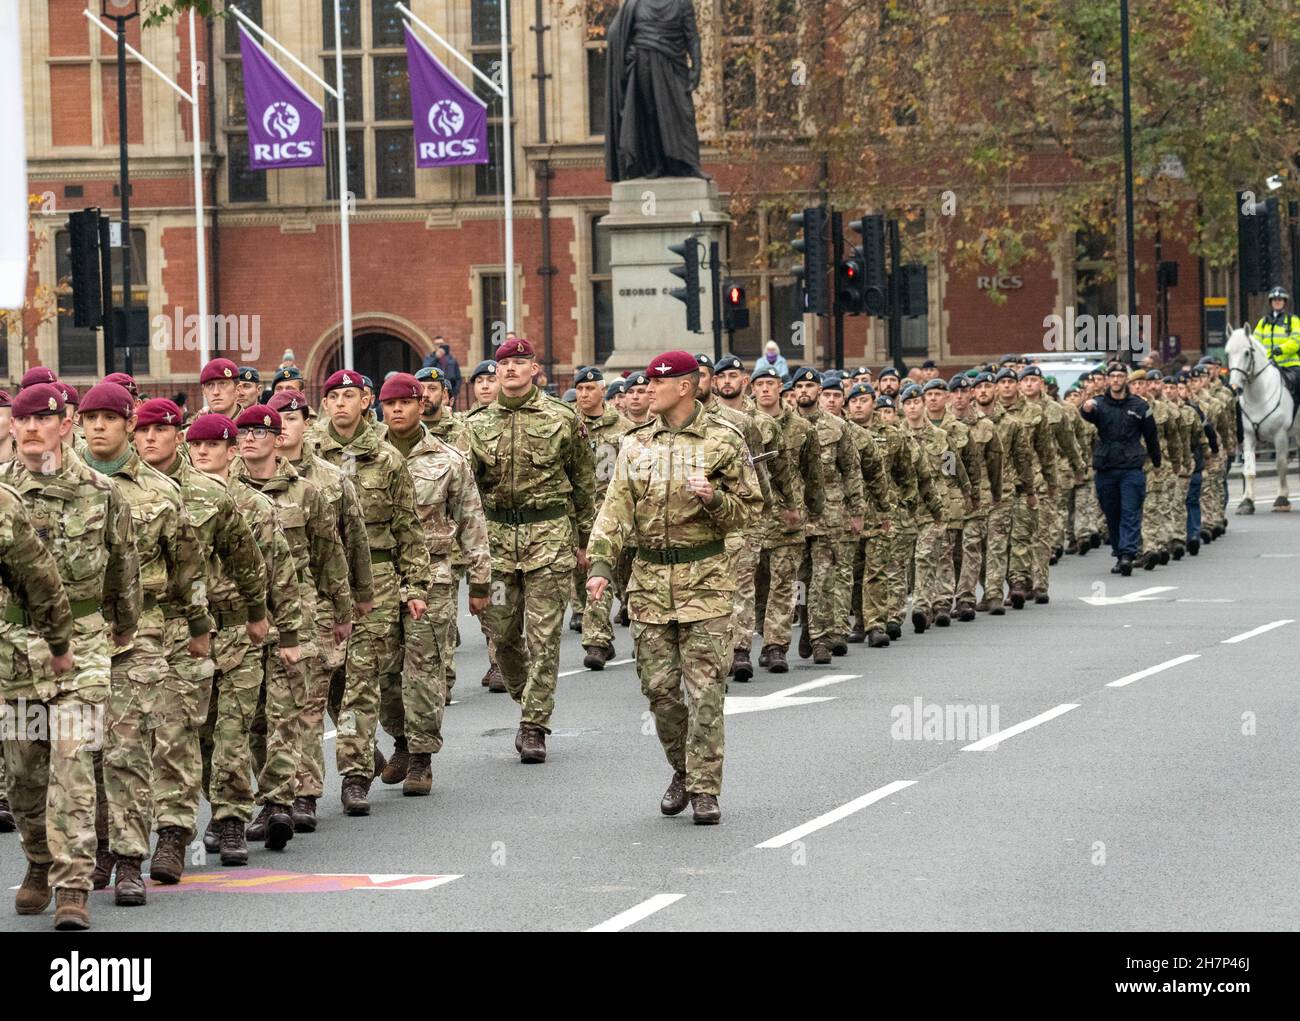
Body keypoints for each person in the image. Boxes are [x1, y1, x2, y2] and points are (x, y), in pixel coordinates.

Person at [586, 349, 760, 824]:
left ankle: (705, 788)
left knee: (705, 690)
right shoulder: (635, 444)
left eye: (656, 383)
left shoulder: (724, 441)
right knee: (659, 690)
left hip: (705, 582)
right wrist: (601, 565)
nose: (647, 391)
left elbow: (751, 509)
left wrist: (716, 499)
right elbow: (614, 509)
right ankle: (681, 769)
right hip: (648, 585)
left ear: (682, 387)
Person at [1, 383, 140, 931]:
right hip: (13, 649)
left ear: (67, 426)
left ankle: (73, 885)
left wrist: (121, 634)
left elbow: (122, 572)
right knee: (24, 775)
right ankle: (38, 861)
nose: (32, 428)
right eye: (22, 420)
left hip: (81, 649)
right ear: (13, 428)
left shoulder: (102, 494)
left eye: (44, 419)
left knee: (73, 766)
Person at [78, 382, 211, 907]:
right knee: (83, 752)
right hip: (76, 636)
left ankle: (131, 859)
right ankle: (99, 848)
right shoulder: (62, 484)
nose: (99, 426)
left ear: (126, 423)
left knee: (128, 748)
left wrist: (198, 627)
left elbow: (187, 569)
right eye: (90, 418)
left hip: (145, 635)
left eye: (110, 417)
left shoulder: (160, 492)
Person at [133, 398, 268, 881]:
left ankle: (213, 824)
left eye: (160, 430)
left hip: (205, 631)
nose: (149, 439)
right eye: (142, 430)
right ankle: (125, 843)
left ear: (178, 436)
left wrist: (258, 615)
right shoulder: (113, 491)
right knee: (160, 738)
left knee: (198, 731)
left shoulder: (209, 495)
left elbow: (248, 560)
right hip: (136, 632)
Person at [465, 338, 595, 763]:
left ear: (535, 370)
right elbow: (466, 490)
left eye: (521, 363)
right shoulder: (476, 424)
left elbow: (583, 482)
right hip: (498, 542)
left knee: (544, 638)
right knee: (500, 634)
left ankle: (535, 724)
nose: (512, 369)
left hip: (549, 539)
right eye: (504, 364)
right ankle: (527, 698)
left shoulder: (563, 418)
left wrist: (582, 541)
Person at [311, 371, 430, 815]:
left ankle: (354, 777)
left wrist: (415, 585)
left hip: (375, 582)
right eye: (332, 397)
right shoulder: (306, 454)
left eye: (348, 396)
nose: (340, 404)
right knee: (330, 683)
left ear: (364, 402)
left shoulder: (386, 459)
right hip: (321, 585)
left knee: (362, 679)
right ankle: (365, 747)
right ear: (323, 406)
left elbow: (408, 528)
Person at [234, 404, 352, 851]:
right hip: (242, 618)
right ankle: (271, 795)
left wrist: (342, 611)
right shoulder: (225, 493)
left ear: (274, 438)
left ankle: (291, 798)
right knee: (255, 718)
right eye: (242, 433)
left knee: (292, 708)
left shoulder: (307, 493)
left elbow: (330, 556)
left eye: (258, 433)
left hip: (297, 614)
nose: (249, 440)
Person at [378, 373, 491, 794]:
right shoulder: (366, 457)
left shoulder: (448, 459)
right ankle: (402, 740)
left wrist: (480, 582)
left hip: (434, 576)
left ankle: (422, 758)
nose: (397, 411)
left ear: (420, 405)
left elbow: (471, 521)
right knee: (385, 671)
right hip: (380, 579)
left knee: (423, 668)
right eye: (389, 404)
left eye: (405, 403)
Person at [266, 390, 372, 833]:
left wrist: (355, 599)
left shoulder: (330, 481)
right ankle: (273, 794)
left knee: (309, 699)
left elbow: (349, 545)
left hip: (316, 606)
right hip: (260, 612)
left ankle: (307, 792)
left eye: (293, 418)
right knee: (272, 710)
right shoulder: (236, 480)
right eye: (278, 418)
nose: (285, 425)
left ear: (306, 424)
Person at [569, 366, 630, 669]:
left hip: (610, 514)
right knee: (583, 575)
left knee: (602, 572)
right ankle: (599, 637)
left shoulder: (622, 428)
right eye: (579, 389)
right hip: (576, 514)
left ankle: (597, 640)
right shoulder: (567, 424)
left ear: (602, 391)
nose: (583, 394)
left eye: (589, 389)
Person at [1081, 363, 1161, 575]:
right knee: (1112, 513)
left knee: (1130, 512)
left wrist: (1157, 461)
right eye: (1112, 376)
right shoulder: (1098, 404)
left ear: (1125, 379)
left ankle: (1128, 554)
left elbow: (1152, 436)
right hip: (1106, 467)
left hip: (1131, 467)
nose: (1116, 380)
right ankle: (1119, 553)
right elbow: (1087, 413)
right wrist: (1085, 407)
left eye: (1120, 376)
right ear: (1108, 380)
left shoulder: (1139, 406)